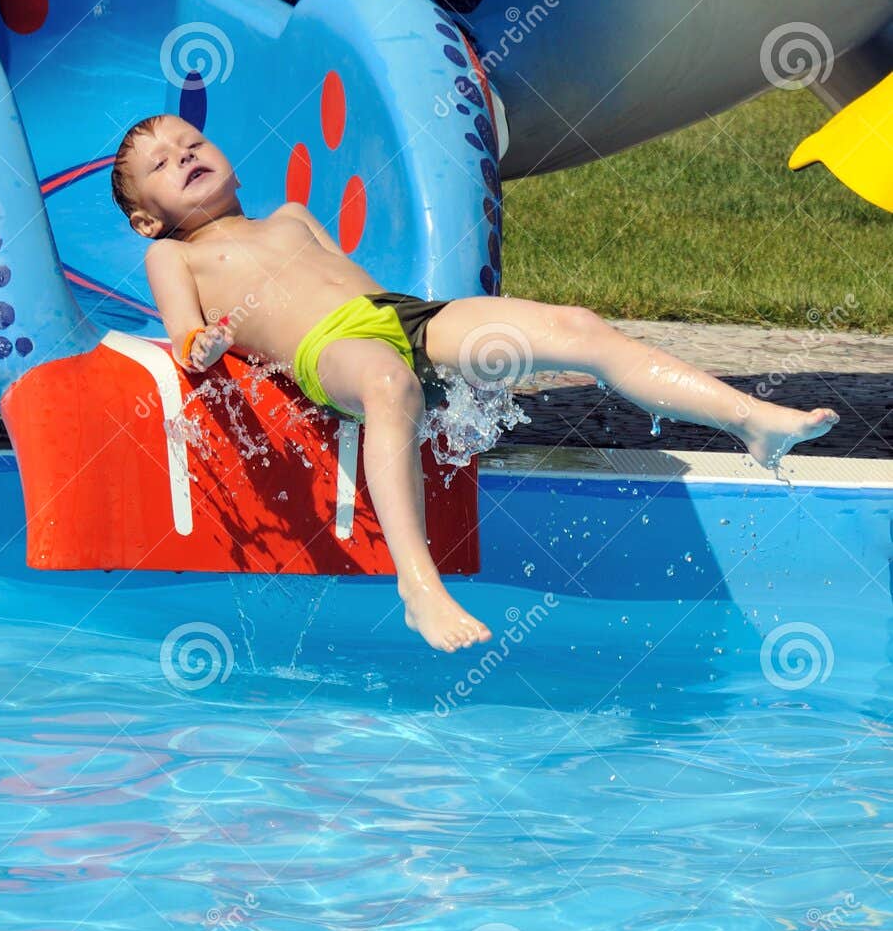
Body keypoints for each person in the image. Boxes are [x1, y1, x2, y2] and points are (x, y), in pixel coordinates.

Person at [112, 113, 837, 652]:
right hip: (331, 350)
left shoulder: (294, 218)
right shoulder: (174, 257)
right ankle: (418, 585)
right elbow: (185, 336)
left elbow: (348, 282)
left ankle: (749, 419)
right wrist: (204, 343)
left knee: (576, 326)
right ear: (146, 219)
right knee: (388, 382)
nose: (185, 156)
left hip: (404, 316)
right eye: (162, 163)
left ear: (232, 163)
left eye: (192, 142)